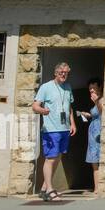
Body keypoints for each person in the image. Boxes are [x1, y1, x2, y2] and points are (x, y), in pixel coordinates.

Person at [31, 61, 76, 201]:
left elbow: (69, 108)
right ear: (55, 73)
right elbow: (35, 106)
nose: (64, 75)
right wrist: (42, 110)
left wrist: (73, 123)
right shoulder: (46, 87)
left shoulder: (68, 87)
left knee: (58, 157)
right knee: (50, 158)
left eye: (66, 73)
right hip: (51, 129)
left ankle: (45, 187)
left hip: (64, 128)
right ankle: (50, 190)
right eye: (61, 73)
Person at [76, 78, 104, 190]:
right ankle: (96, 188)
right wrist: (87, 114)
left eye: (93, 87)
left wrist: (97, 101)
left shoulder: (102, 99)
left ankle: (101, 187)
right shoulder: (95, 100)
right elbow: (96, 115)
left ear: (100, 87)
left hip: (99, 133)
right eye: (90, 88)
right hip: (93, 133)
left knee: (100, 160)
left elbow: (104, 112)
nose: (91, 90)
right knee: (94, 162)